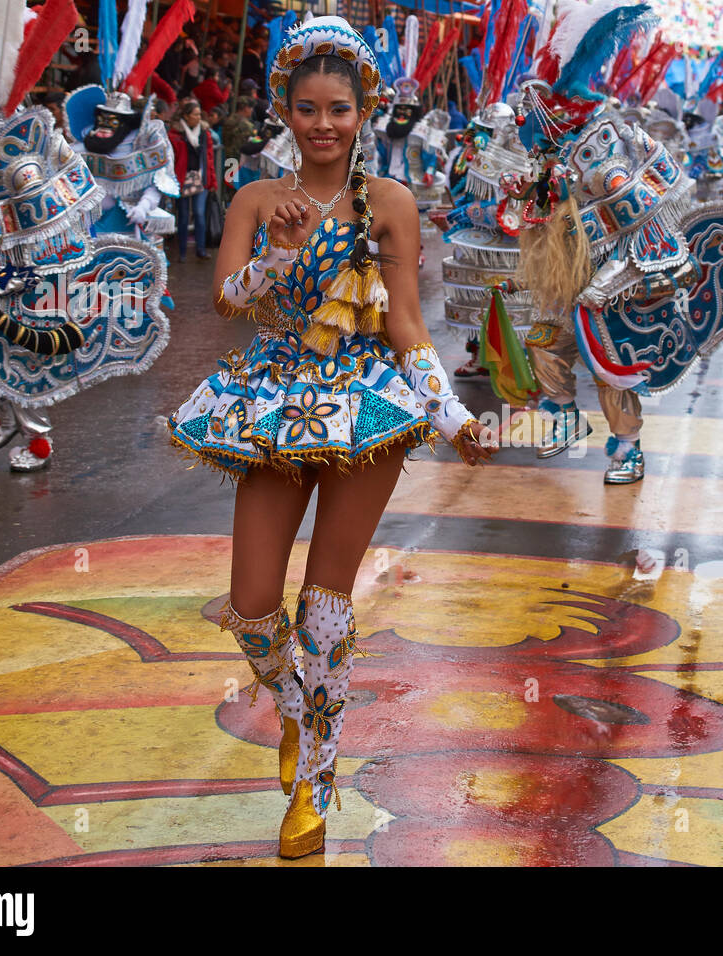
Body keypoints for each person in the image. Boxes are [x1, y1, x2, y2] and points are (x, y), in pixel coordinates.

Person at [164, 15, 497, 859]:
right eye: (307, 108)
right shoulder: (253, 198)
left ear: (364, 111)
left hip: (365, 410)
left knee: (324, 604)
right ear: (284, 109)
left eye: (339, 109)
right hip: (274, 405)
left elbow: (408, 325)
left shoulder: (390, 203)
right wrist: (278, 253)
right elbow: (228, 301)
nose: (323, 124)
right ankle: (294, 708)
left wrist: (453, 416)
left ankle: (316, 781)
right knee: (250, 606)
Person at [168, 98, 216, 261]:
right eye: (195, 114)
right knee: (182, 215)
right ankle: (182, 252)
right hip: (181, 179)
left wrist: (212, 180)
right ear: (186, 116)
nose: (198, 117)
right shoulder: (175, 134)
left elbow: (210, 158)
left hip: (201, 178)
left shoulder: (205, 133)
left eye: (199, 114)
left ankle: (200, 249)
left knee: (199, 213)